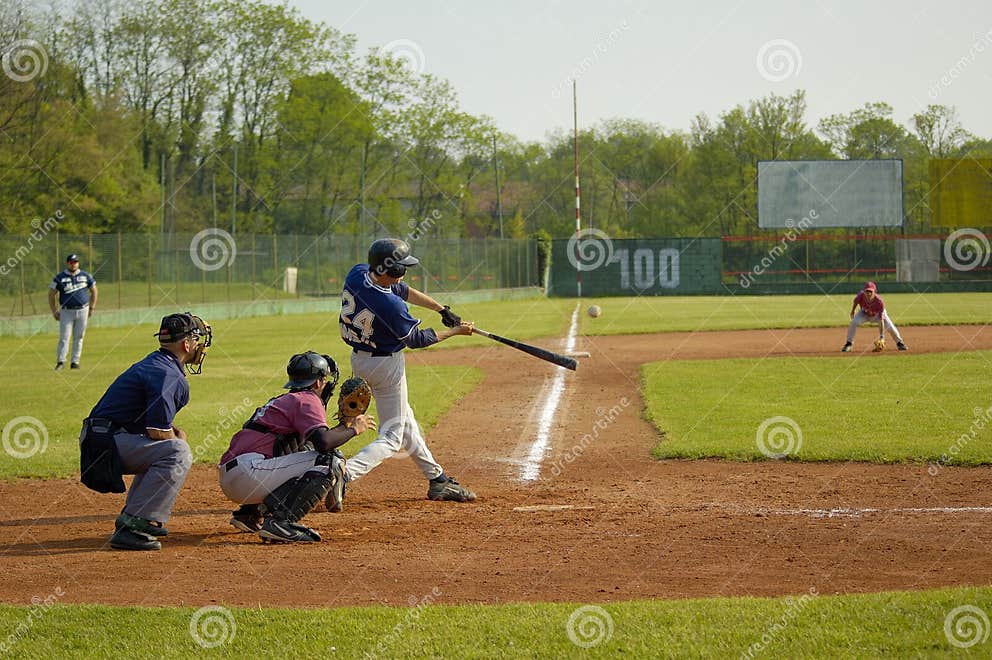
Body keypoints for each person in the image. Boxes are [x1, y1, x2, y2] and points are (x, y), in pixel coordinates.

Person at [334, 237, 476, 508]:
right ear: (392, 269)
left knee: (404, 419)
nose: (404, 273)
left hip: (360, 360)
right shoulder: (391, 306)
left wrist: (441, 309)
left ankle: (437, 479)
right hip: (386, 367)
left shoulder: (358, 274)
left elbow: (402, 289)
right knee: (391, 437)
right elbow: (417, 339)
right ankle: (343, 474)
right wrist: (456, 331)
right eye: (401, 268)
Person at [81, 312, 212, 551]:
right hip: (104, 443)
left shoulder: (159, 364)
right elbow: (157, 431)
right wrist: (177, 439)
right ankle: (135, 525)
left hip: (104, 437)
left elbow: (153, 425)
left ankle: (132, 518)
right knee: (177, 452)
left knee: (167, 448)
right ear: (186, 344)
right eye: (196, 339)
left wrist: (172, 434)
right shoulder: (168, 373)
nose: (199, 346)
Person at [218, 352, 377, 543]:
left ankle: (250, 513)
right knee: (330, 461)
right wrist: (353, 429)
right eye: (325, 379)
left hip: (235, 476)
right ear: (318, 382)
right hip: (249, 474)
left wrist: (344, 425)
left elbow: (313, 442)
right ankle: (281, 522)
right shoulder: (307, 399)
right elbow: (325, 443)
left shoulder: (286, 399)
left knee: (303, 449)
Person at [49, 253, 98, 370]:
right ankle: (61, 361)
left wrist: (92, 307)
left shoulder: (85, 276)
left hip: (83, 309)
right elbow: (51, 294)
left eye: (75, 262)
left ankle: (75, 362)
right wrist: (54, 310)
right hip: (67, 311)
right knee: (64, 337)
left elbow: (94, 290)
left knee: (79, 336)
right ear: (67, 263)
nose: (73, 264)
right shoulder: (60, 277)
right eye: (71, 262)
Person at [842, 281, 908, 352]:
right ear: (864, 291)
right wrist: (853, 311)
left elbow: (881, 320)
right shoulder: (860, 296)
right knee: (853, 322)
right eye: (867, 291)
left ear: (874, 292)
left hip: (877, 315)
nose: (868, 293)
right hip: (864, 313)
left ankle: (900, 343)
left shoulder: (879, 302)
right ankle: (849, 344)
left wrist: (882, 337)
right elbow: (856, 302)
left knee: (890, 326)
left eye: (870, 291)